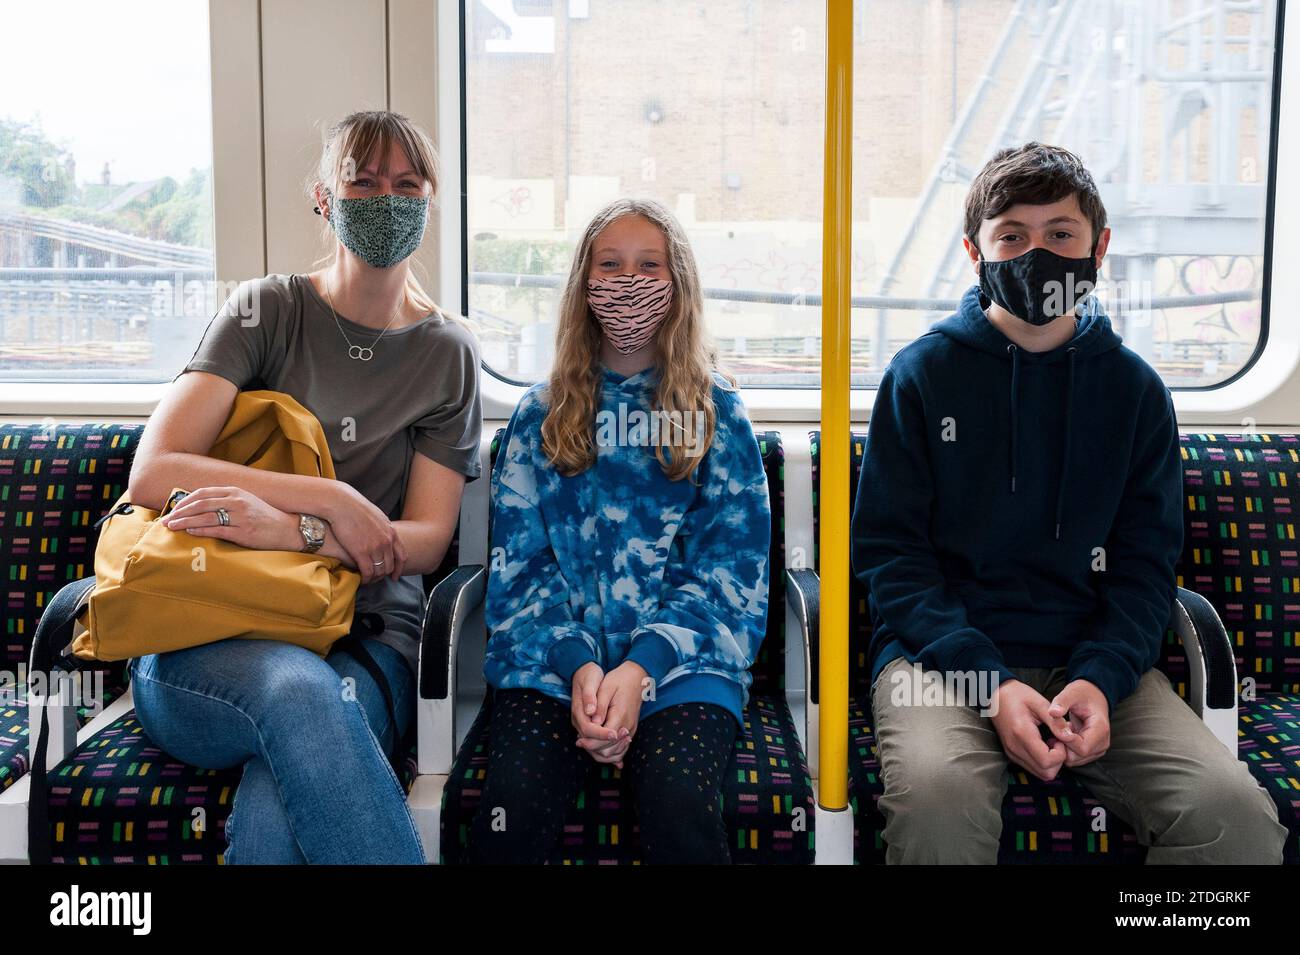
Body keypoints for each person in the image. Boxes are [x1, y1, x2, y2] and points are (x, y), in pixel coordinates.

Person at [852, 141, 1287, 864]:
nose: (1038, 255)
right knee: (936, 803)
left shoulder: (1135, 392)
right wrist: (989, 685)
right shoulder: (921, 376)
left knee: (1233, 819)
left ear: (1099, 248)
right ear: (976, 253)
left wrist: (1102, 675)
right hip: (942, 663)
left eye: (1061, 235)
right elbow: (893, 560)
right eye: (1012, 237)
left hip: (1092, 659)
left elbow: (1146, 564)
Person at [125, 110, 483, 863]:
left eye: (406, 184)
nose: (386, 198)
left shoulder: (447, 352)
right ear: (324, 198)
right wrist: (332, 500)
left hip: (367, 628)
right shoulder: (266, 310)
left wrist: (292, 530)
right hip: (206, 620)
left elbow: (421, 540)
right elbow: (155, 472)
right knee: (298, 695)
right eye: (363, 181)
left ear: (429, 201)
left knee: (273, 816)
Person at [465, 197, 770, 864]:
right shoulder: (540, 414)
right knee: (509, 803)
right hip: (551, 667)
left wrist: (639, 668)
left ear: (678, 283)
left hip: (684, 665)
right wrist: (581, 668)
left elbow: (730, 574)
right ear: (583, 285)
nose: (628, 282)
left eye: (648, 265)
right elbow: (522, 569)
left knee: (676, 796)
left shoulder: (717, 414)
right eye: (610, 265)